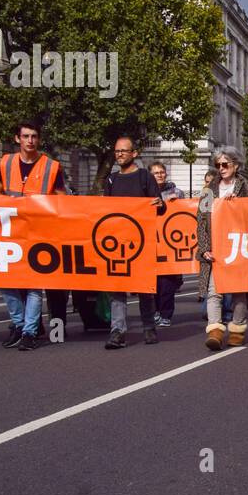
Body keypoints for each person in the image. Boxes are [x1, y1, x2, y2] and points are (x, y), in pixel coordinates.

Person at [0, 120, 67, 350]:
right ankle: (19, 323)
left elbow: (62, 199)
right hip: (11, 232)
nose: (30, 141)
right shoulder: (5, 163)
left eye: (34, 136)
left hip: (38, 232)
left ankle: (29, 332)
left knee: (35, 284)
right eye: (26, 136)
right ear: (18, 139)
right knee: (6, 281)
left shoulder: (52, 167)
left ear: (39, 139)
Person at [102, 138, 162, 349]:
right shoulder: (110, 180)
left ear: (134, 153)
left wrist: (158, 203)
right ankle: (117, 331)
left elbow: (160, 206)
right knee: (117, 288)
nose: (119, 155)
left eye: (124, 151)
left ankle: (148, 327)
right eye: (117, 151)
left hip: (141, 242)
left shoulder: (145, 176)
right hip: (116, 243)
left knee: (144, 287)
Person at [197, 146, 248, 350]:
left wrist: (238, 204)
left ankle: (237, 330)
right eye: (218, 165)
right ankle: (214, 330)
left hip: (239, 247)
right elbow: (201, 221)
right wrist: (204, 248)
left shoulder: (246, 187)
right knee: (214, 291)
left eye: (225, 164)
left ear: (235, 165)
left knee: (239, 292)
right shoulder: (208, 191)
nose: (221, 168)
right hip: (216, 248)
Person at [150, 162, 185, 327]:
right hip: (151, 243)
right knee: (153, 281)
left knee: (167, 283)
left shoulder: (177, 192)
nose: (159, 175)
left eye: (162, 172)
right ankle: (155, 311)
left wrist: (176, 203)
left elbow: (184, 212)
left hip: (169, 243)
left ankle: (166, 314)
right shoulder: (145, 192)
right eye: (155, 172)